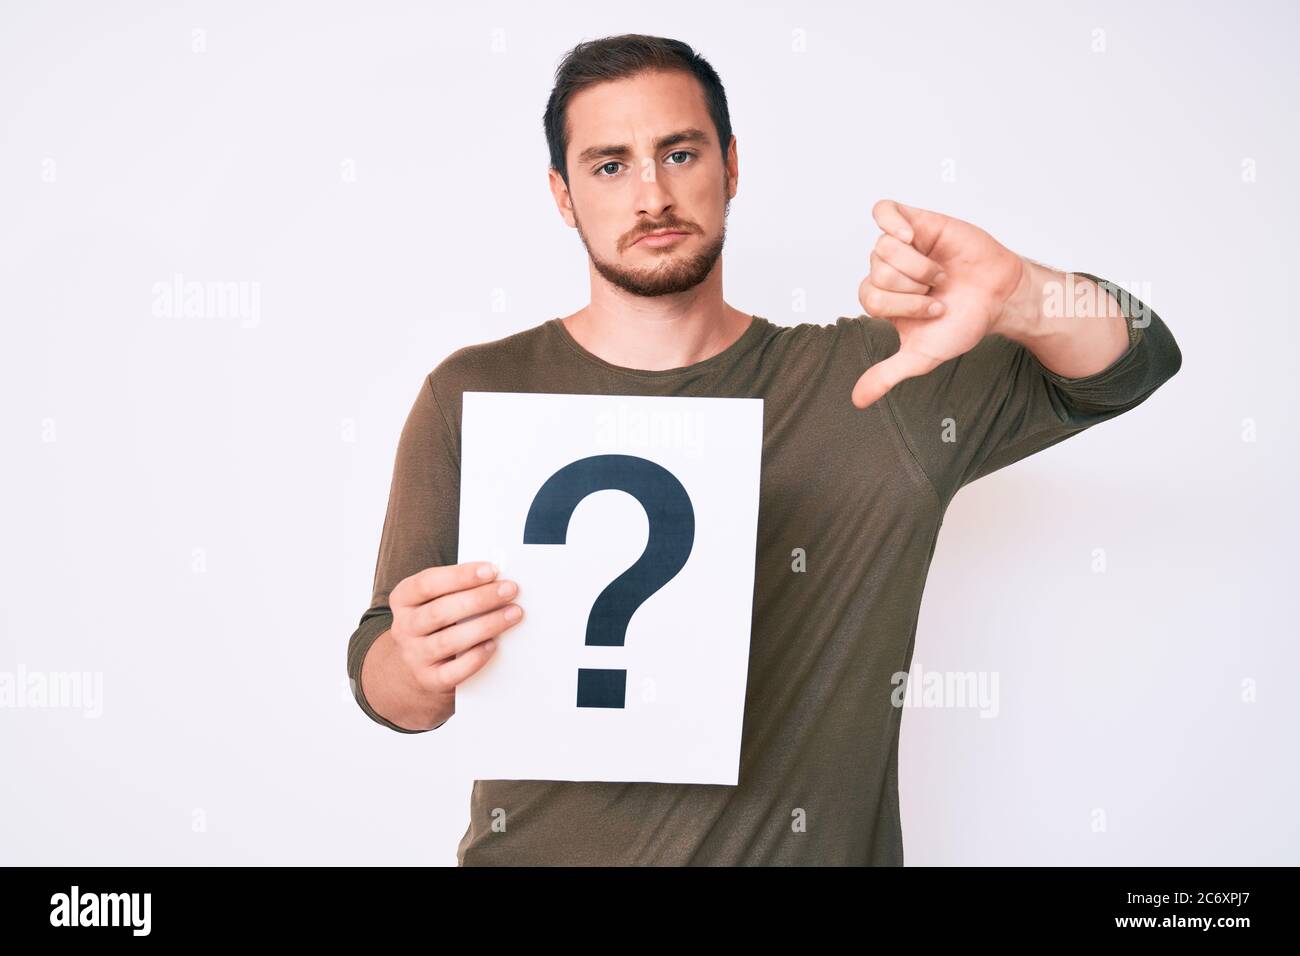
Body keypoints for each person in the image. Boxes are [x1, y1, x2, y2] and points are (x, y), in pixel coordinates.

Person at [345, 33, 1182, 865]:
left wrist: (1022, 296)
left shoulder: (878, 380)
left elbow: (1137, 359)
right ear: (563, 196)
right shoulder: (475, 391)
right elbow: (389, 689)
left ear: (731, 167)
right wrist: (417, 665)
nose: (651, 195)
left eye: (679, 152)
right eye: (610, 165)